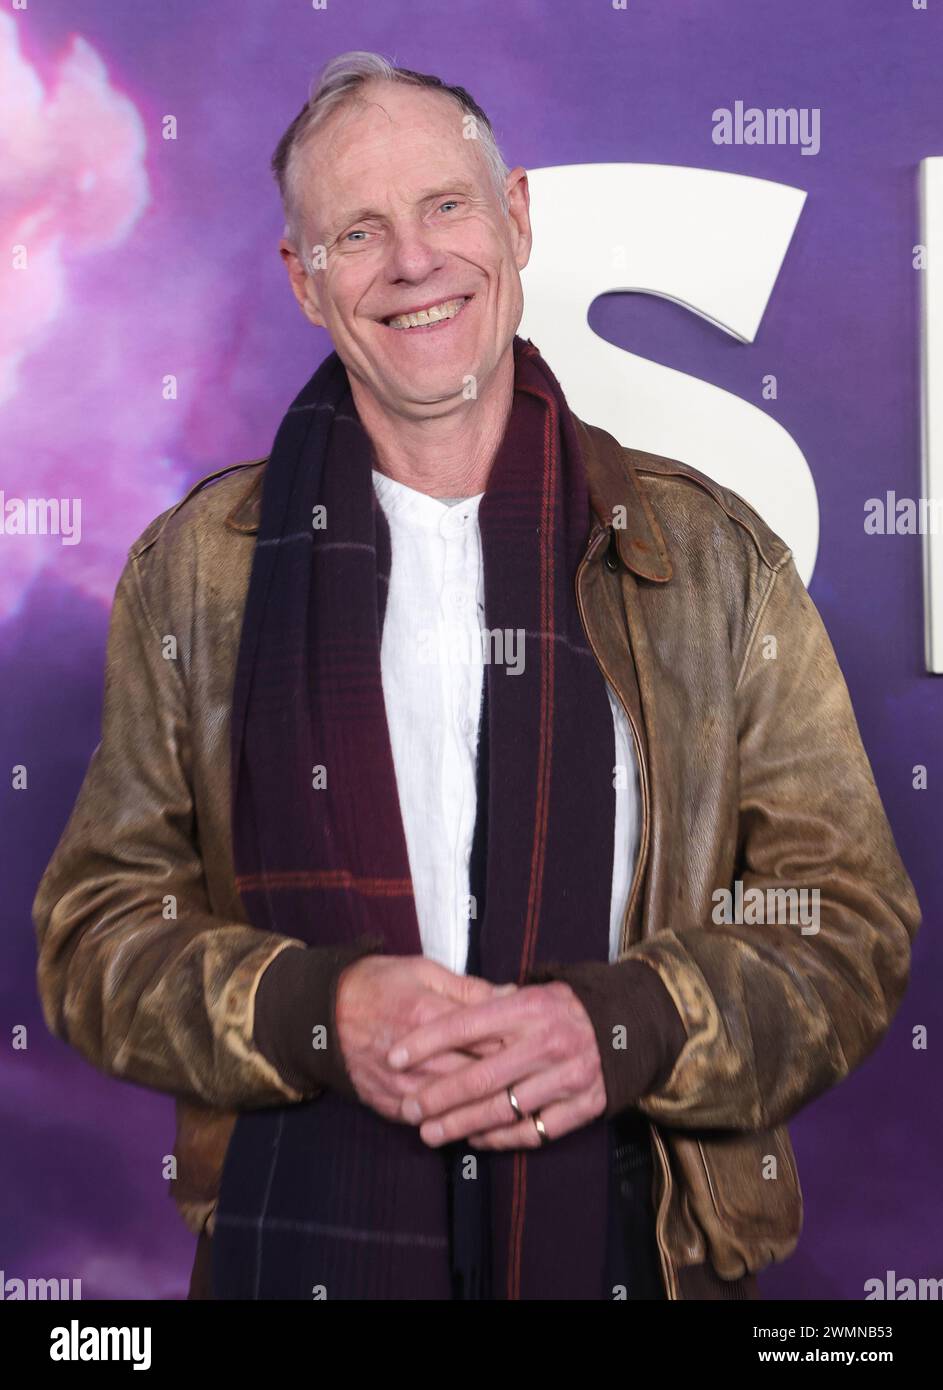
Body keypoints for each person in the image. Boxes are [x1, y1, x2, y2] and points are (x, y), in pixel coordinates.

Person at [33, 51, 921, 1301]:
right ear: (303, 279)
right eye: (357, 229)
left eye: (445, 207)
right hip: (296, 1253)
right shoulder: (195, 575)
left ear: (513, 216)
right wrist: (317, 1010)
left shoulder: (712, 561)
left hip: (636, 1255)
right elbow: (100, 934)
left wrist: (629, 1021)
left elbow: (843, 917)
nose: (412, 260)